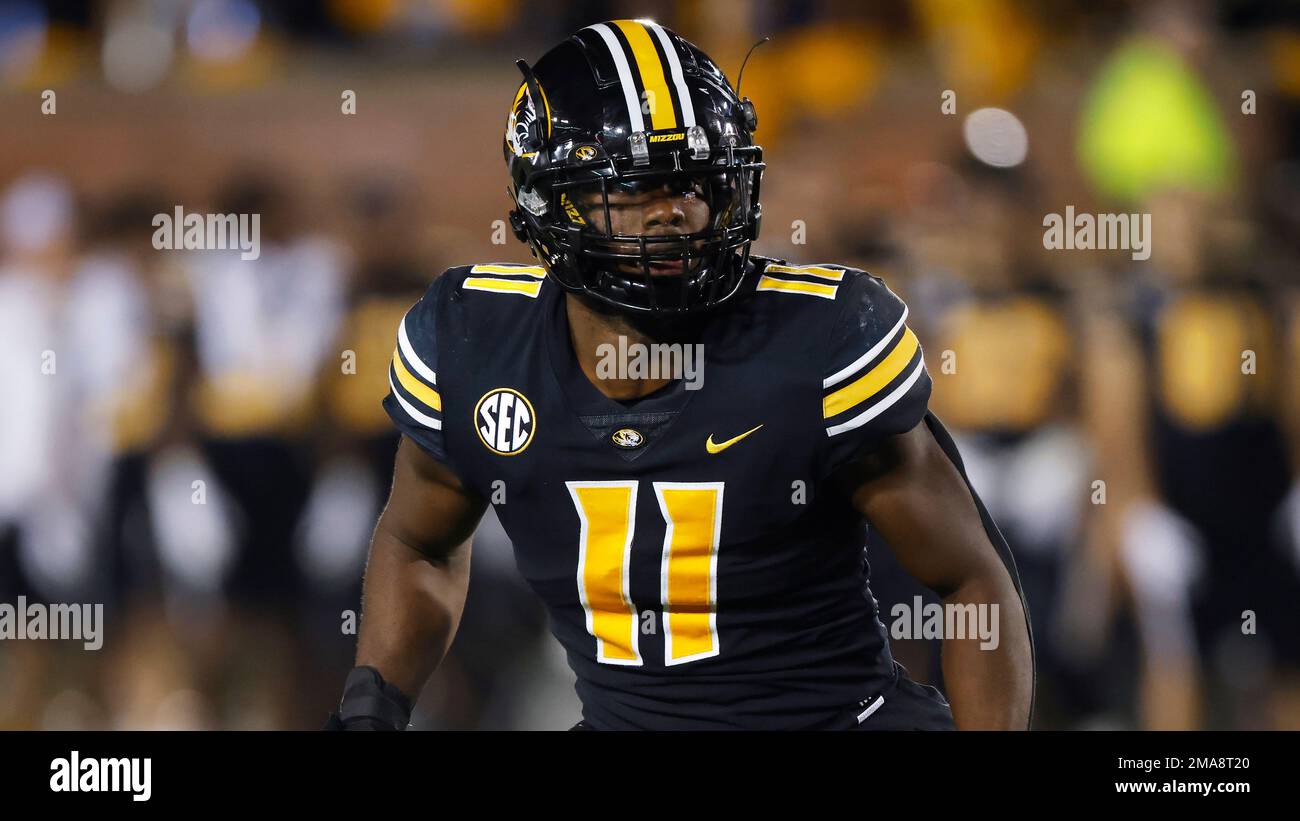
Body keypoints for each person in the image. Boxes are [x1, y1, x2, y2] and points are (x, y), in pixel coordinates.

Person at [329, 19, 1033, 730]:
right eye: (637, 187)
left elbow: (970, 576)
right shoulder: (475, 345)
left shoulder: (818, 338)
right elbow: (420, 542)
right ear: (551, 202)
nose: (677, 212)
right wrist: (372, 705)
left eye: (696, 182)